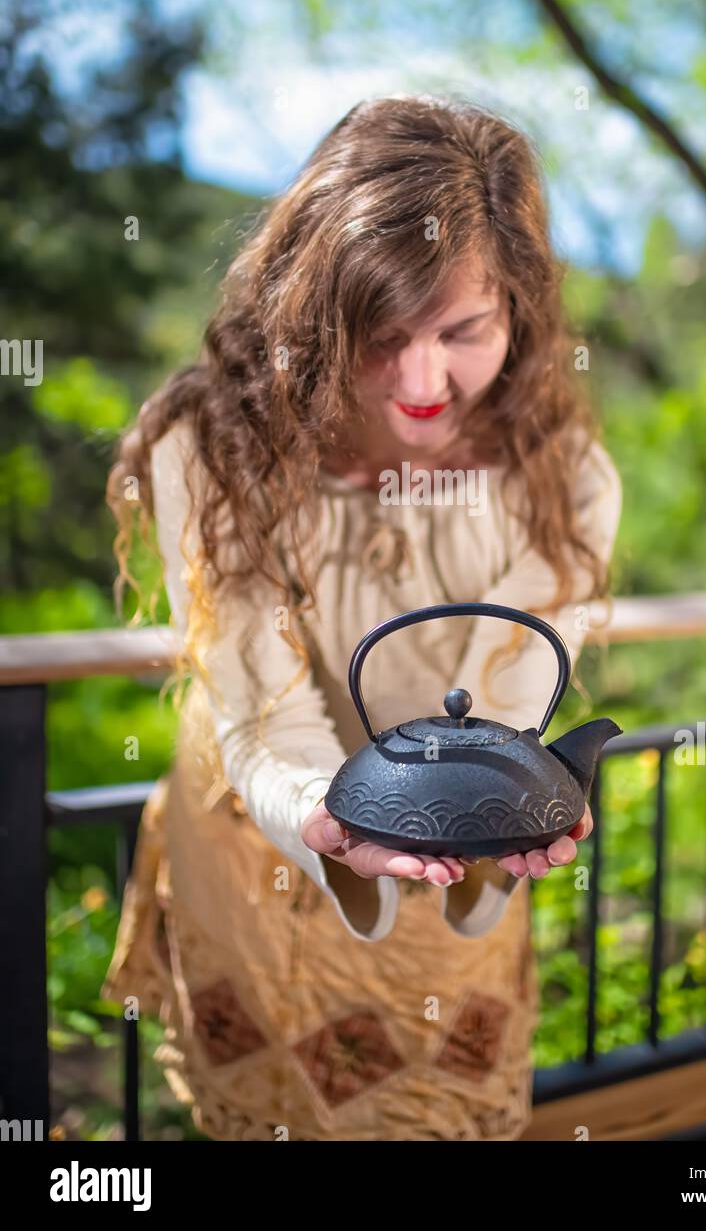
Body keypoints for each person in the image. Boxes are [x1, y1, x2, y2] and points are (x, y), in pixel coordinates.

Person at [100, 93, 622, 1141]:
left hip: (447, 866)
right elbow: (263, 710)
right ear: (316, 308)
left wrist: (514, 803)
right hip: (257, 848)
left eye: (465, 330)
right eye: (381, 337)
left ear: (518, 308)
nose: (425, 382)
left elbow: (512, 706)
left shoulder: (561, 477)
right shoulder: (216, 444)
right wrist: (323, 820)